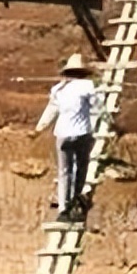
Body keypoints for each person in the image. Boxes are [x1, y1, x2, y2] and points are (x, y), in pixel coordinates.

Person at [35, 52, 95, 221]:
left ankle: (63, 209)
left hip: (62, 134)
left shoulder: (58, 89)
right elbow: (97, 106)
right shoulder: (88, 86)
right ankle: (76, 196)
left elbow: (51, 111)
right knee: (82, 166)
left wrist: (39, 128)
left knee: (64, 171)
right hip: (81, 133)